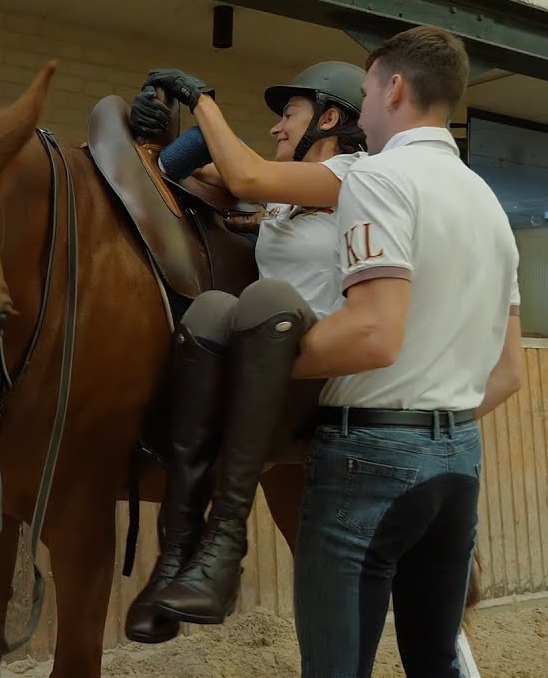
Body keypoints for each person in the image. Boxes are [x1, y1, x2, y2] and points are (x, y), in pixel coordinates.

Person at [286, 25, 526, 677]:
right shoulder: (490, 206)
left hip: (370, 457)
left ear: (394, 88)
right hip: (457, 464)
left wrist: (268, 357)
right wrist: (435, 422)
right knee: (435, 663)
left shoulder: (378, 177)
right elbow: (508, 373)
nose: (361, 113)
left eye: (365, 92)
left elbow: (372, 332)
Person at [120, 60, 368, 644]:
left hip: (317, 375)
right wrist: (155, 133)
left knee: (265, 296)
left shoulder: (356, 175)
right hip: (264, 366)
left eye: (290, 114)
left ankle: (225, 541)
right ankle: (177, 558)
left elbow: (246, 176)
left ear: (329, 118)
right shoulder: (285, 193)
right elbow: (176, 172)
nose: (278, 128)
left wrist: (201, 101)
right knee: (208, 309)